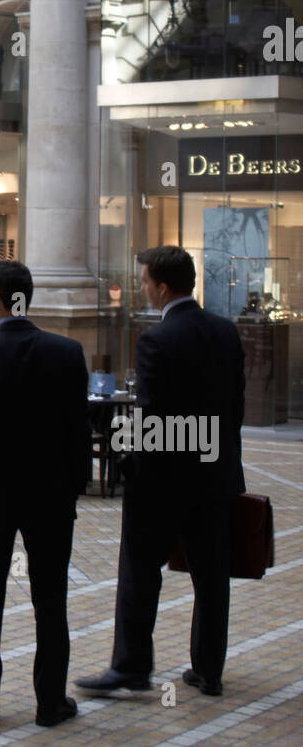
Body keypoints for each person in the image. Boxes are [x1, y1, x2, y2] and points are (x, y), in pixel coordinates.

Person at [76, 246, 245, 700]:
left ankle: (131, 667)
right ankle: (208, 671)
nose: (142, 288)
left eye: (145, 281)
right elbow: (235, 409)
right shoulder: (226, 333)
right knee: (211, 576)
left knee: (139, 572)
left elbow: (150, 419)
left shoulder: (157, 340)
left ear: (163, 287)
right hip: (215, 474)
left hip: (164, 482)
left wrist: (131, 467)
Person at [0, 261, 91, 727]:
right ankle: (51, 703)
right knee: (51, 600)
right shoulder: (67, 353)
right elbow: (78, 432)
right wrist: (74, 487)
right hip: (50, 498)